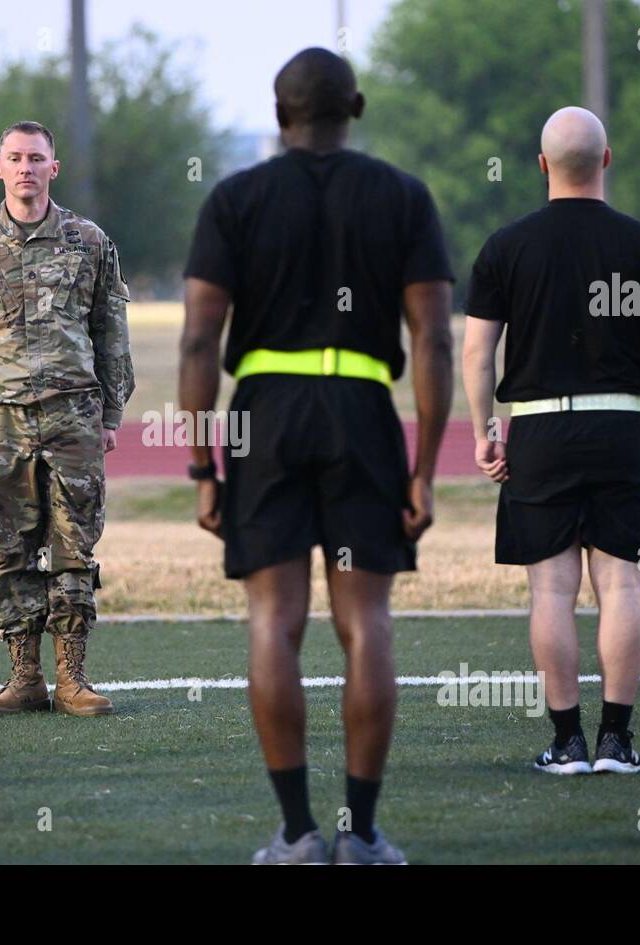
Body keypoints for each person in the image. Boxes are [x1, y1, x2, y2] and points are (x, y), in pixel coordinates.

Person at [179, 49, 455, 863]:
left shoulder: (234, 197)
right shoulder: (403, 196)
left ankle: (298, 834)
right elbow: (434, 336)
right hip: (361, 411)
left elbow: (200, 338)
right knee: (364, 621)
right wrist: (426, 467)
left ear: (278, 113)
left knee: (275, 619)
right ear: (356, 107)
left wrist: (203, 465)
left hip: (264, 414)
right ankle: (361, 835)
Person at [461, 105, 640, 775]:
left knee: (551, 593)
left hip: (538, 428)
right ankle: (616, 743)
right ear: (607, 160)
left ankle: (566, 744)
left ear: (541, 166)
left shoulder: (505, 246)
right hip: (622, 424)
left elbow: (478, 350)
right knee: (621, 585)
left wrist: (486, 432)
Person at [0, 121, 134, 717]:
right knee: (7, 543)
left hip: (75, 412)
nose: (25, 168)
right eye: (15, 158)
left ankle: (72, 678)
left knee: (75, 542)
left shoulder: (89, 241)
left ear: (54, 167)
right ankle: (25, 678)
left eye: (36, 158)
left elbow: (110, 330)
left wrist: (113, 411)